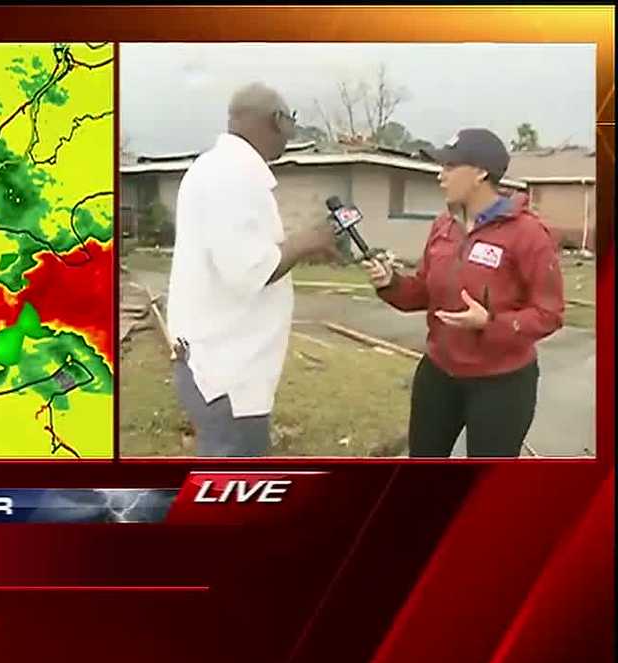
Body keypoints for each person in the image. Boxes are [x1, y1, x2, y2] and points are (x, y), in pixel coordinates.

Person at [362, 128, 565, 458]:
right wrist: (391, 283)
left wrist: (490, 323)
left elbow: (549, 314)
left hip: (502, 384)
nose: (440, 175)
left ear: (480, 173)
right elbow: (423, 292)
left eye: (450, 166)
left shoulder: (528, 234)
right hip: (439, 374)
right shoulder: (443, 226)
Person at [167, 82, 337, 457]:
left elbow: (242, 257)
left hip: (222, 364)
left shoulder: (220, 169)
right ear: (278, 120)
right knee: (237, 480)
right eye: (291, 120)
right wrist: (309, 240)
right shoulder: (231, 175)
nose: (292, 131)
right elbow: (248, 270)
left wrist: (300, 249)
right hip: (228, 372)